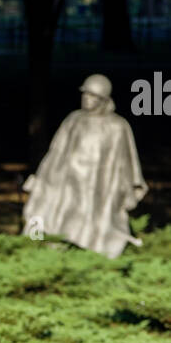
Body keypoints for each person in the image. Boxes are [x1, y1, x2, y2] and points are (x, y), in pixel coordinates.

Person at [22, 74, 148, 258]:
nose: (87, 99)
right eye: (85, 95)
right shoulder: (74, 120)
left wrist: (129, 187)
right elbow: (56, 153)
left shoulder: (118, 126)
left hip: (99, 183)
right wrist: (43, 178)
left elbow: (126, 161)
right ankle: (53, 244)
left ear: (103, 100)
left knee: (96, 223)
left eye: (92, 96)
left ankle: (95, 252)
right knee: (57, 213)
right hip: (69, 181)